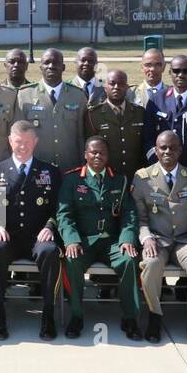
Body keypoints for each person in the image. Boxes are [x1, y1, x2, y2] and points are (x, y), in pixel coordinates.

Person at [57, 137, 141, 340]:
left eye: (102, 152)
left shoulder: (119, 181)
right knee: (72, 260)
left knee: (129, 260)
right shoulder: (72, 180)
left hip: (112, 241)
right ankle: (76, 316)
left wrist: (127, 239)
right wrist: (71, 241)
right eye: (93, 152)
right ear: (85, 154)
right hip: (83, 241)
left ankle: (130, 317)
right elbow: (64, 214)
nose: (97, 156)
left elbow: (129, 215)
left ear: (108, 155)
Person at [0, 121, 62, 341]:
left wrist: (50, 226)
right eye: (18, 142)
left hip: (38, 236)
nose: (23, 147)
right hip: (8, 236)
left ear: (35, 142)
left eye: (28, 142)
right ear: (10, 141)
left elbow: (60, 207)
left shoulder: (50, 171)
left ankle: (48, 317)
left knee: (50, 252)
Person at [132, 130, 187, 343]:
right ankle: (155, 316)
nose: (167, 152)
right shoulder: (142, 178)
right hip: (157, 240)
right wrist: (146, 238)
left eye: (172, 148)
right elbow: (140, 219)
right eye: (163, 148)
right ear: (156, 150)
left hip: (185, 241)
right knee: (150, 264)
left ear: (180, 151)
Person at [16, 48, 86, 169]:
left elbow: (81, 136)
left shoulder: (78, 95)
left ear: (63, 67)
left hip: (70, 167)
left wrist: (83, 165)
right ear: (40, 67)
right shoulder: (25, 95)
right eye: (47, 63)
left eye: (56, 63)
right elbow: (19, 136)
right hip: (37, 168)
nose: (51, 66)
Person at [85, 68, 146, 181]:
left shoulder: (139, 112)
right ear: (105, 86)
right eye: (112, 83)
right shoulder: (93, 115)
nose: (116, 87)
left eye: (121, 84)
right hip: (107, 177)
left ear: (127, 87)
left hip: (136, 176)